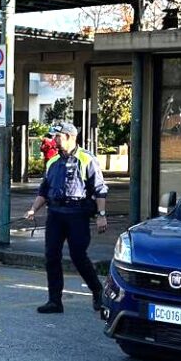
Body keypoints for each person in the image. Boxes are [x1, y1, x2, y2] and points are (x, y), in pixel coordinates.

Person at [24, 121, 108, 314]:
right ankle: (55, 301)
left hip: (77, 214)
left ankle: (97, 290)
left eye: (58, 136)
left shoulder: (87, 159)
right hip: (55, 215)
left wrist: (101, 215)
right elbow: (44, 190)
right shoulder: (53, 162)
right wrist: (33, 209)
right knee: (51, 256)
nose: (54, 140)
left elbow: (100, 189)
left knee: (78, 256)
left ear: (70, 137)